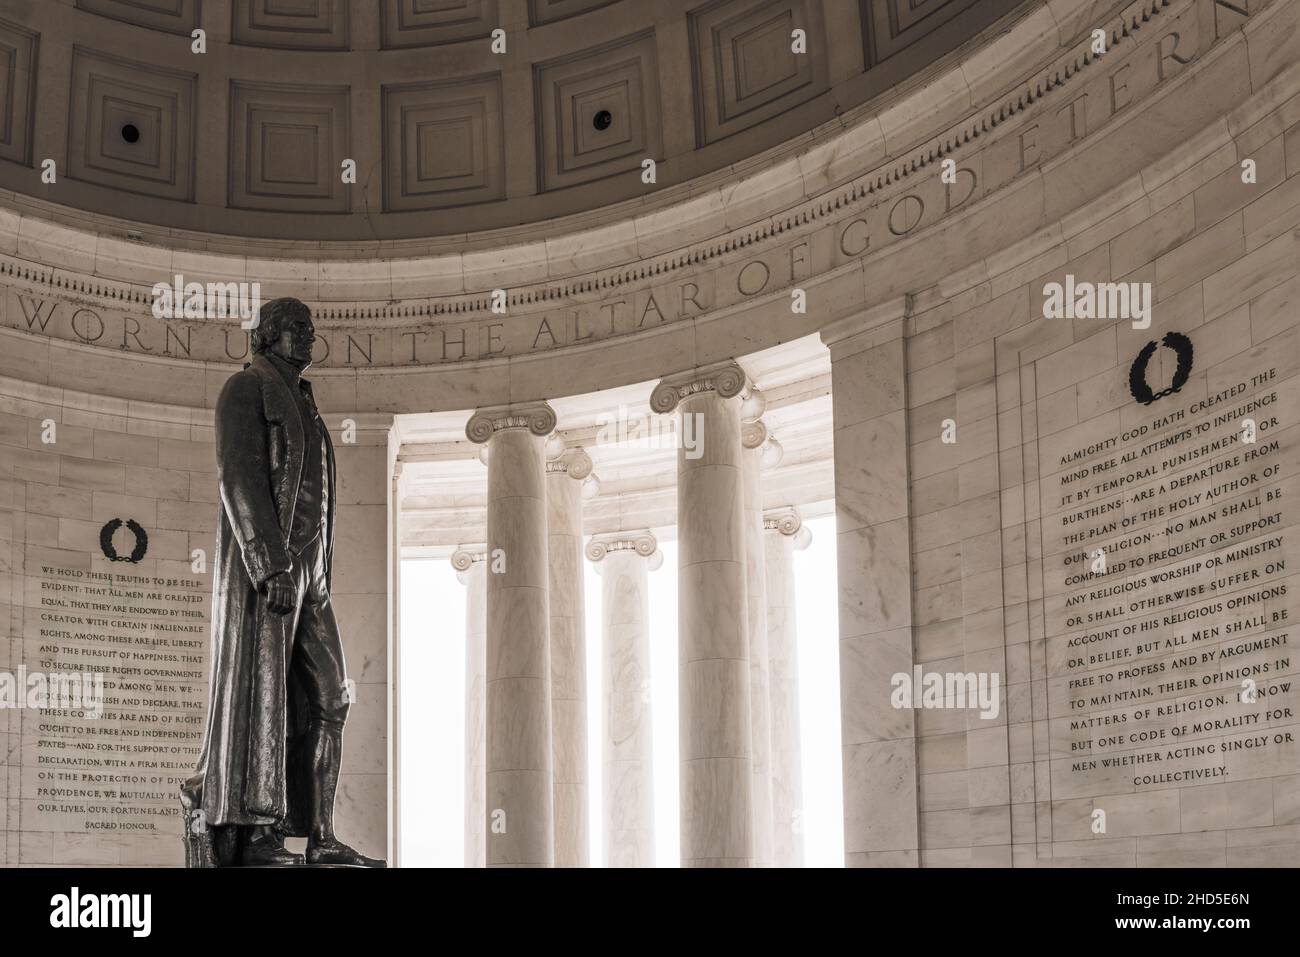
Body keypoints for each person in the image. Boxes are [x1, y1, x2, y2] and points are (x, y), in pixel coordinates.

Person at [180, 297, 384, 867]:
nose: (309, 336)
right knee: (263, 697)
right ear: (268, 335)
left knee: (332, 697)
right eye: (298, 327)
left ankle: (321, 836)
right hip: (270, 570)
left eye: (310, 328)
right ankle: (262, 836)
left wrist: (311, 571)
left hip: (314, 576)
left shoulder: (306, 405)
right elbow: (239, 477)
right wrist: (268, 562)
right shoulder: (245, 390)